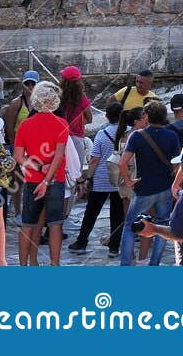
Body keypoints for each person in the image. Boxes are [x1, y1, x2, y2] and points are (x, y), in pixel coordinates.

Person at [13, 80, 73, 266]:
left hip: (32, 179)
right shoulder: (61, 123)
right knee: (55, 224)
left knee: (28, 225)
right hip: (55, 180)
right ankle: (55, 265)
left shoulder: (25, 125)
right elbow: (59, 155)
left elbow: (19, 157)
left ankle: (25, 266)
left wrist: (39, 169)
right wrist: (47, 180)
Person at [117, 100, 179, 266]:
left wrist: (129, 181)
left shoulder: (137, 136)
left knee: (130, 225)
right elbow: (176, 165)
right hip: (165, 187)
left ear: (146, 115)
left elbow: (122, 163)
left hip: (144, 188)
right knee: (162, 225)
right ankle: (154, 264)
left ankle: (125, 264)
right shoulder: (172, 135)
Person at [71, 102, 130, 255]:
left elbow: (94, 159)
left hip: (102, 178)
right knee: (117, 214)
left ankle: (82, 242)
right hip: (120, 179)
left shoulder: (102, 134)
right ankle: (114, 247)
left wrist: (88, 177)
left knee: (91, 212)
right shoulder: (129, 133)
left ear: (106, 116)